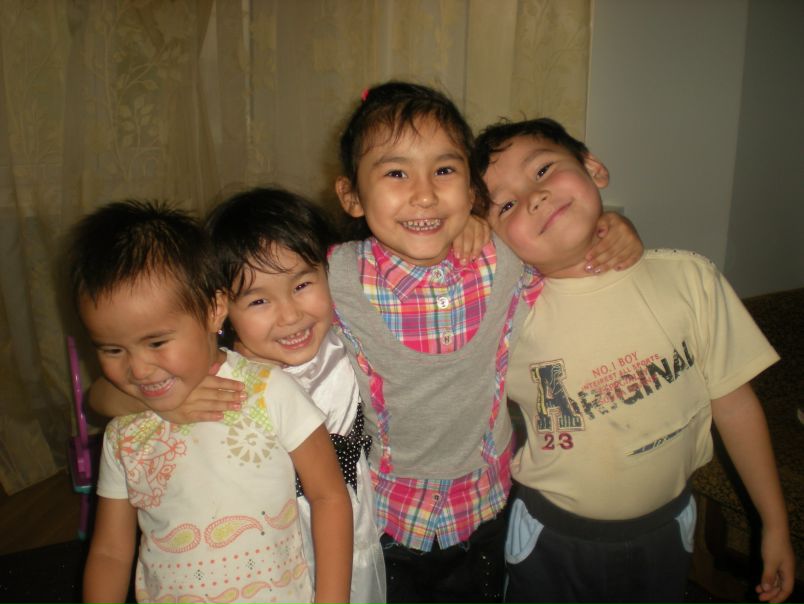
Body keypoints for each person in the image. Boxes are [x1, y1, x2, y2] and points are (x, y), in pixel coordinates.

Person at [328, 81, 643, 603]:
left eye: (444, 170)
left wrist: (613, 227)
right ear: (352, 196)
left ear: (473, 190)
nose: (425, 193)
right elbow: (267, 309)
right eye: (396, 172)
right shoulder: (334, 276)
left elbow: (568, 241)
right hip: (386, 516)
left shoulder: (503, 257)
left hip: (486, 507)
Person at [474, 117, 795, 604]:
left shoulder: (691, 279)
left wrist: (774, 523)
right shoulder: (503, 318)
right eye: (507, 205)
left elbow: (735, 405)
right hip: (552, 539)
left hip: (667, 530)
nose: (534, 197)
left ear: (593, 168)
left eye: (542, 170)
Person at [87, 188, 386, 603]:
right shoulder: (210, 382)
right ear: (223, 308)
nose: (289, 314)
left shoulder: (342, 348)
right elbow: (104, 398)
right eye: (259, 300)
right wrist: (150, 401)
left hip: (340, 538)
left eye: (302, 284)